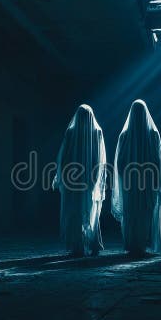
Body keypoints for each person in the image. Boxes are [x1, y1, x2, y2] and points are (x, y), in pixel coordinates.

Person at [112, 100, 161, 256]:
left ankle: (132, 242)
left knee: (131, 211)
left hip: (130, 181)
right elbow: (158, 160)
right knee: (145, 211)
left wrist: (123, 177)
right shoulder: (153, 134)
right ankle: (142, 242)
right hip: (148, 180)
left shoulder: (125, 135)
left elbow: (120, 161)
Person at [54, 105, 107, 257]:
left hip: (72, 178)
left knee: (75, 210)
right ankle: (93, 243)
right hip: (89, 178)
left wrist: (63, 176)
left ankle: (78, 245)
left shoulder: (71, 132)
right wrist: (96, 178)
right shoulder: (97, 132)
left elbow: (63, 158)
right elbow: (99, 159)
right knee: (91, 210)